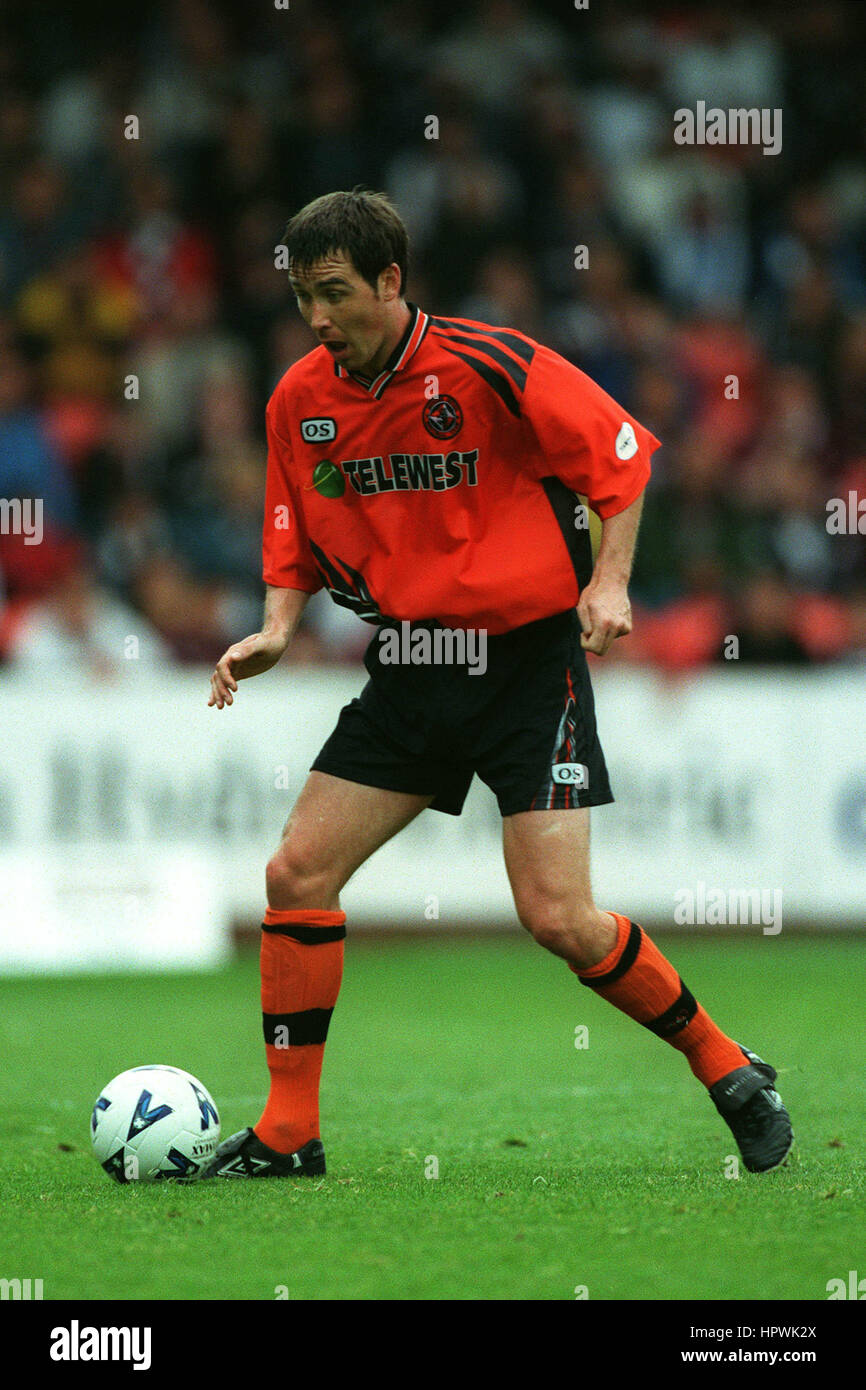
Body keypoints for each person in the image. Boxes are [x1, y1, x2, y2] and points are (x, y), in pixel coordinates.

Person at [204, 190, 792, 1180]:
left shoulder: (491, 363)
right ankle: (287, 1131)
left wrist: (606, 582)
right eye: (304, 295)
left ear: (390, 281)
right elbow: (290, 536)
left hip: (526, 667)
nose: (316, 317)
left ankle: (726, 1066)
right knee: (295, 874)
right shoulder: (296, 401)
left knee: (558, 917)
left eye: (335, 292)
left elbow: (620, 456)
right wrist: (274, 627)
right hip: (411, 671)